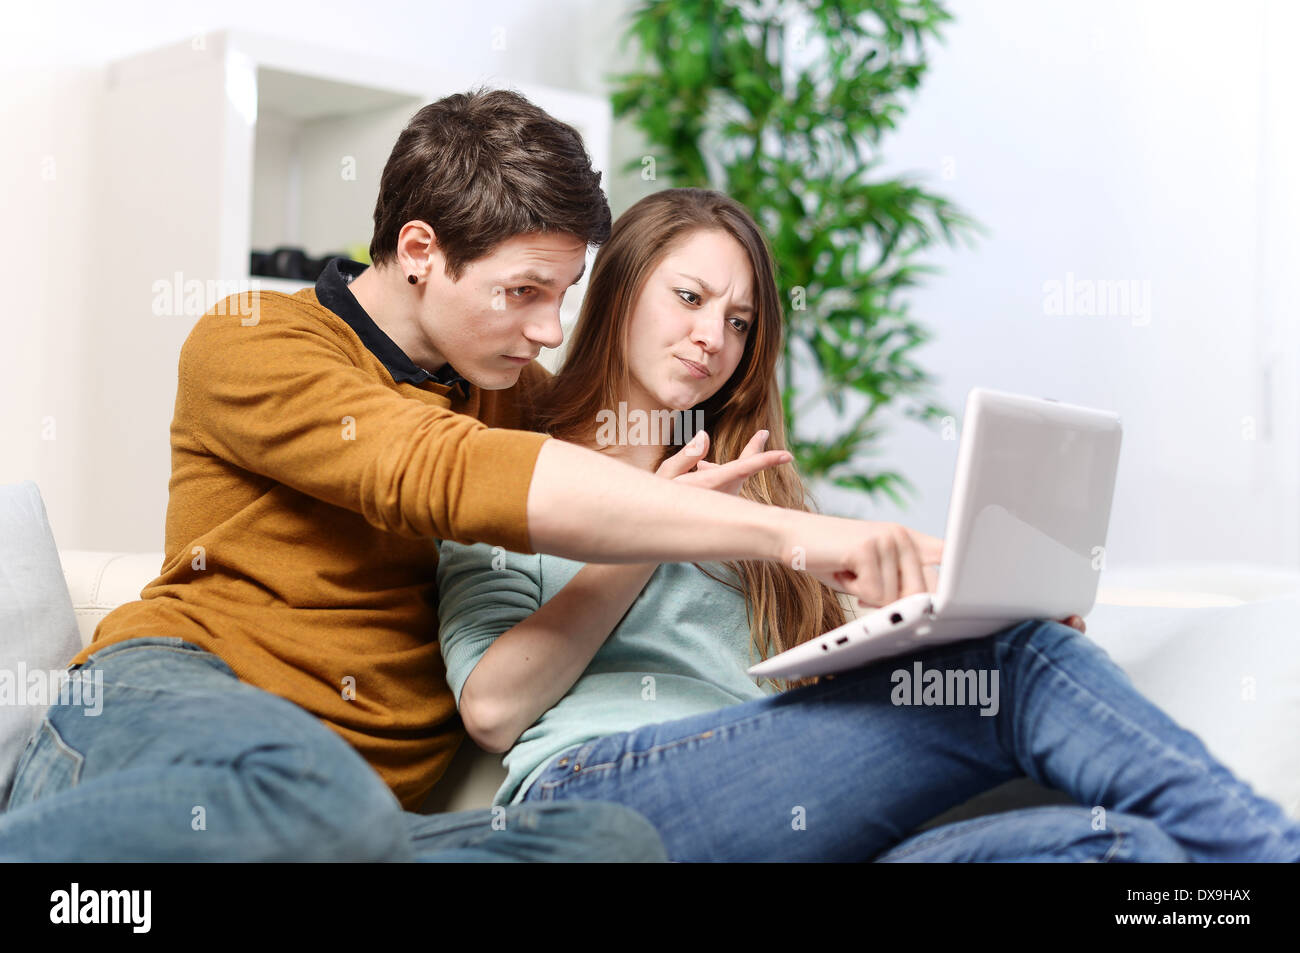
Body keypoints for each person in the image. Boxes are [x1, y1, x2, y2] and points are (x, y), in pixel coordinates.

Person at [0, 87, 967, 862]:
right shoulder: (260, 339)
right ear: (420, 252)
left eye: (564, 295)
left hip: (374, 819)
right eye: (523, 293)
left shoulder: (507, 385)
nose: (551, 329)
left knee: (610, 840)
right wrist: (791, 533)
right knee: (308, 796)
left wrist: (954, 609)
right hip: (186, 701)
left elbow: (594, 442)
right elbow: (440, 469)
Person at [435, 187, 1300, 863]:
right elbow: (495, 709)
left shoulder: (763, 505)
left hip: (781, 822)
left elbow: (815, 707)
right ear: (619, 290)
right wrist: (659, 525)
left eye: (738, 322)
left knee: (1129, 852)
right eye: (690, 298)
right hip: (598, 800)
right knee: (1014, 672)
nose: (712, 338)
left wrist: (972, 615)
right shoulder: (511, 469)